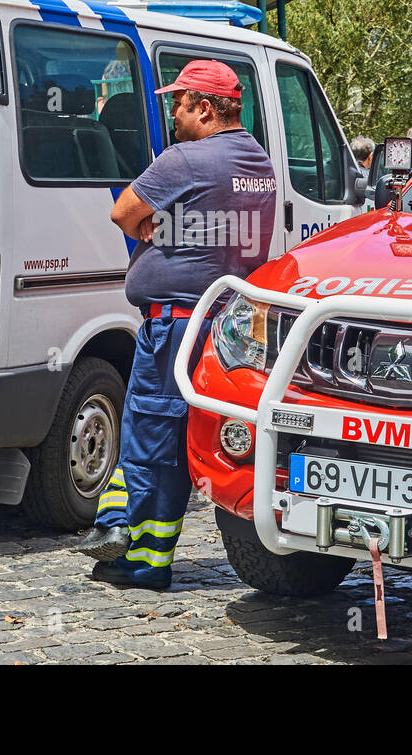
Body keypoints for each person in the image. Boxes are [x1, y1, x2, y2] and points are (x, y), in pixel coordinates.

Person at [73, 59, 278, 589]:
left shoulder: (184, 160)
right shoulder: (258, 161)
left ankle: (116, 527)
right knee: (173, 443)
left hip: (174, 326)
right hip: (224, 325)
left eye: (180, 104)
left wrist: (156, 227)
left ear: (206, 108)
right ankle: (150, 561)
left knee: (147, 432)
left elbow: (123, 213)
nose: (173, 115)